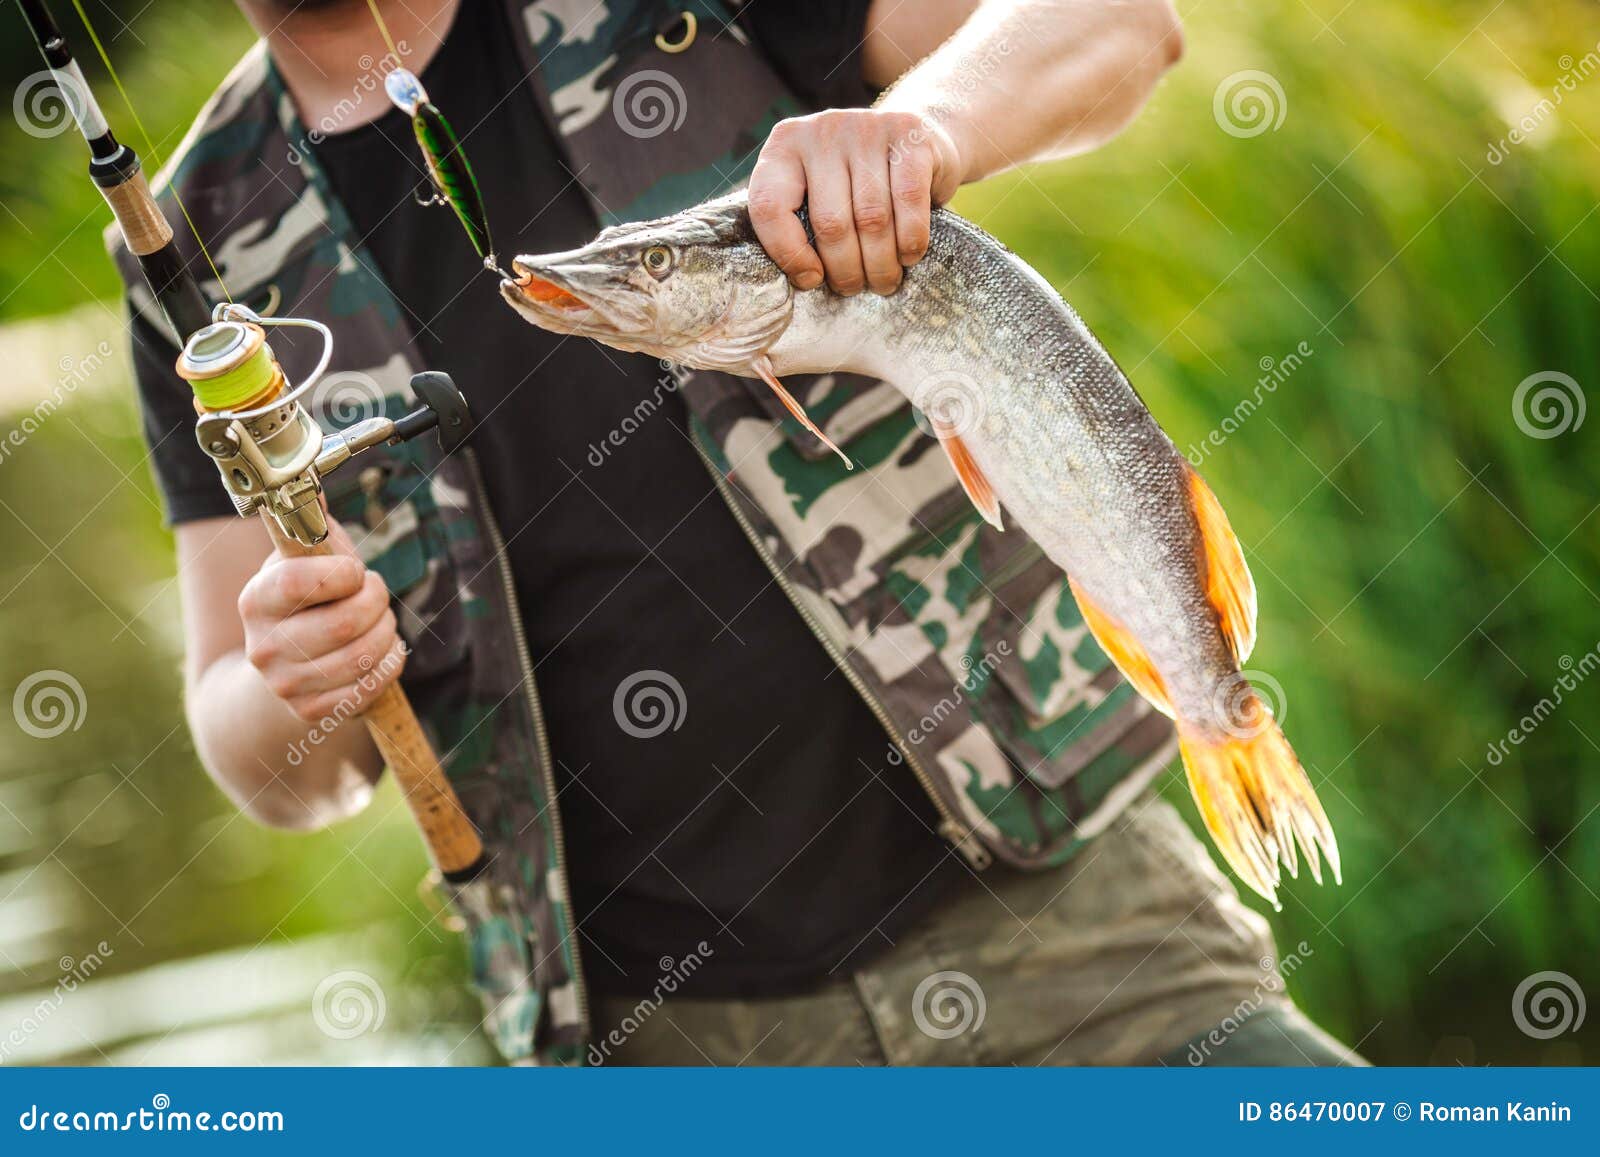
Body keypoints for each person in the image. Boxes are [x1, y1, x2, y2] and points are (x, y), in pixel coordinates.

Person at [118, 0, 1359, 1066]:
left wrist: (925, 129)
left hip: (1078, 929)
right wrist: (296, 679)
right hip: (675, 1041)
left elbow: (1123, 24)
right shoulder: (189, 239)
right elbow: (256, 745)